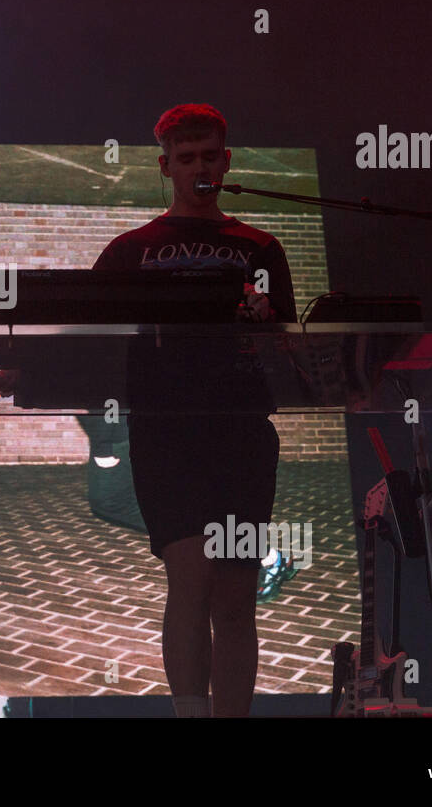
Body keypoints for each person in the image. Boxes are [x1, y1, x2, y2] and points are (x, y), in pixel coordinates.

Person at [92, 103, 296, 717]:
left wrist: (267, 328)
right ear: (166, 166)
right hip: (166, 435)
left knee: (237, 595)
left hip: (241, 435)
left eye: (210, 156)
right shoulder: (131, 251)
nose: (200, 167)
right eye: (186, 159)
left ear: (227, 161)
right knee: (191, 577)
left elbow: (288, 347)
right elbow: (85, 338)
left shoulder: (260, 247)